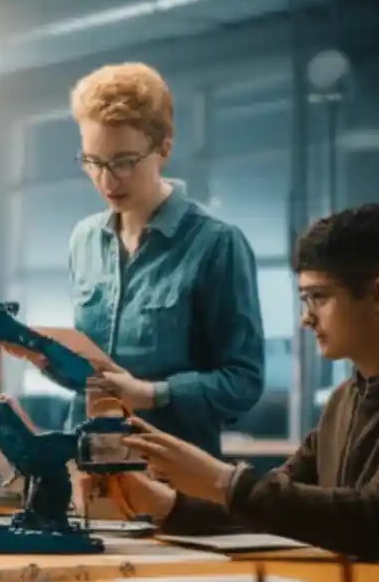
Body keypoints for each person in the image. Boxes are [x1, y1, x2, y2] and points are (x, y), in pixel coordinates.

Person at [101, 204, 379, 566]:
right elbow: (279, 505)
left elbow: (375, 520)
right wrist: (165, 503)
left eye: (319, 298)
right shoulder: (348, 397)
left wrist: (220, 481)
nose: (305, 319)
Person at [67, 62, 265, 458]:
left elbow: (244, 381)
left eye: (123, 162)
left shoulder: (216, 244)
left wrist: (153, 395)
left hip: (175, 479)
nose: (106, 181)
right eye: (93, 161)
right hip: (88, 466)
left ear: (164, 149)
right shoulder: (84, 240)